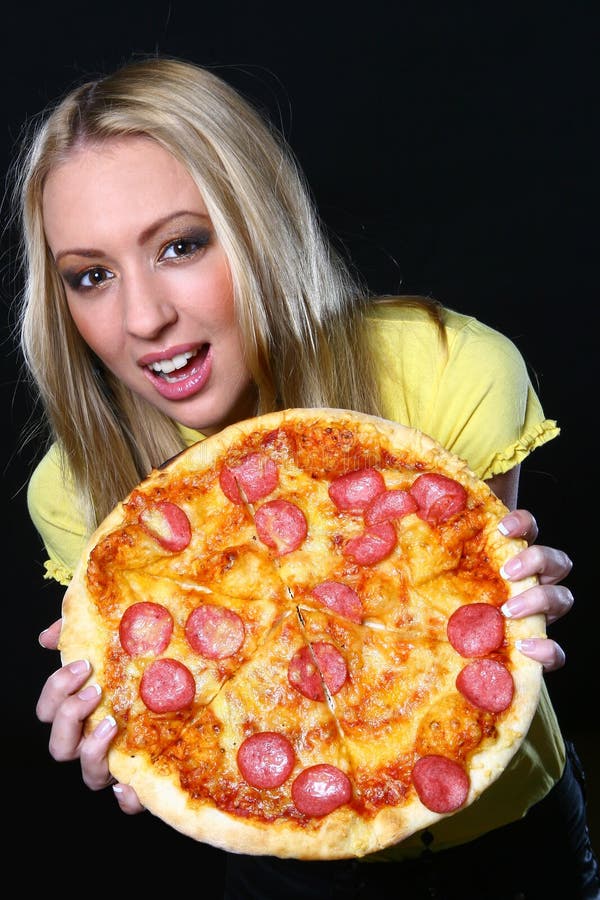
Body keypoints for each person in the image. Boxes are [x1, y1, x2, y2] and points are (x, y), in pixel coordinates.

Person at [11, 55, 598, 899]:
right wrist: (132, 728)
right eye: (91, 276)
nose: (142, 318)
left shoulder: (448, 367)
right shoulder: (68, 493)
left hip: (508, 839)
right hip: (284, 871)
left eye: (182, 244)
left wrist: (515, 600)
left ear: (259, 227)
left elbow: (457, 647)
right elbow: (210, 714)